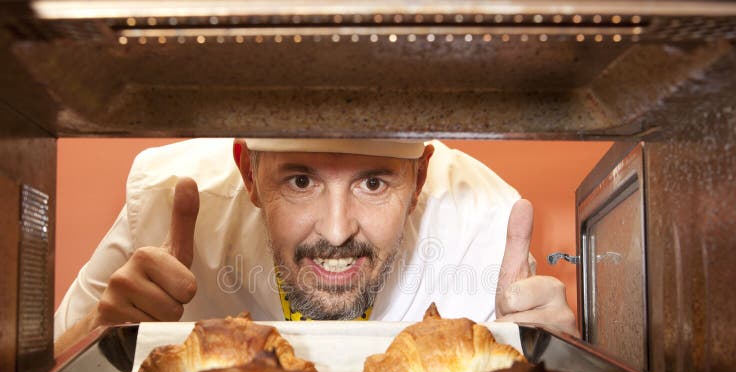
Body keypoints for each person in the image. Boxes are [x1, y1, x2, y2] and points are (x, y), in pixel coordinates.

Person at [54, 138, 576, 355]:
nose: (335, 231)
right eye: (301, 182)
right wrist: (99, 338)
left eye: (373, 184)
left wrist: (564, 365)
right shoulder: (166, 196)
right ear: (249, 174)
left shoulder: (486, 225)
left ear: (418, 182)